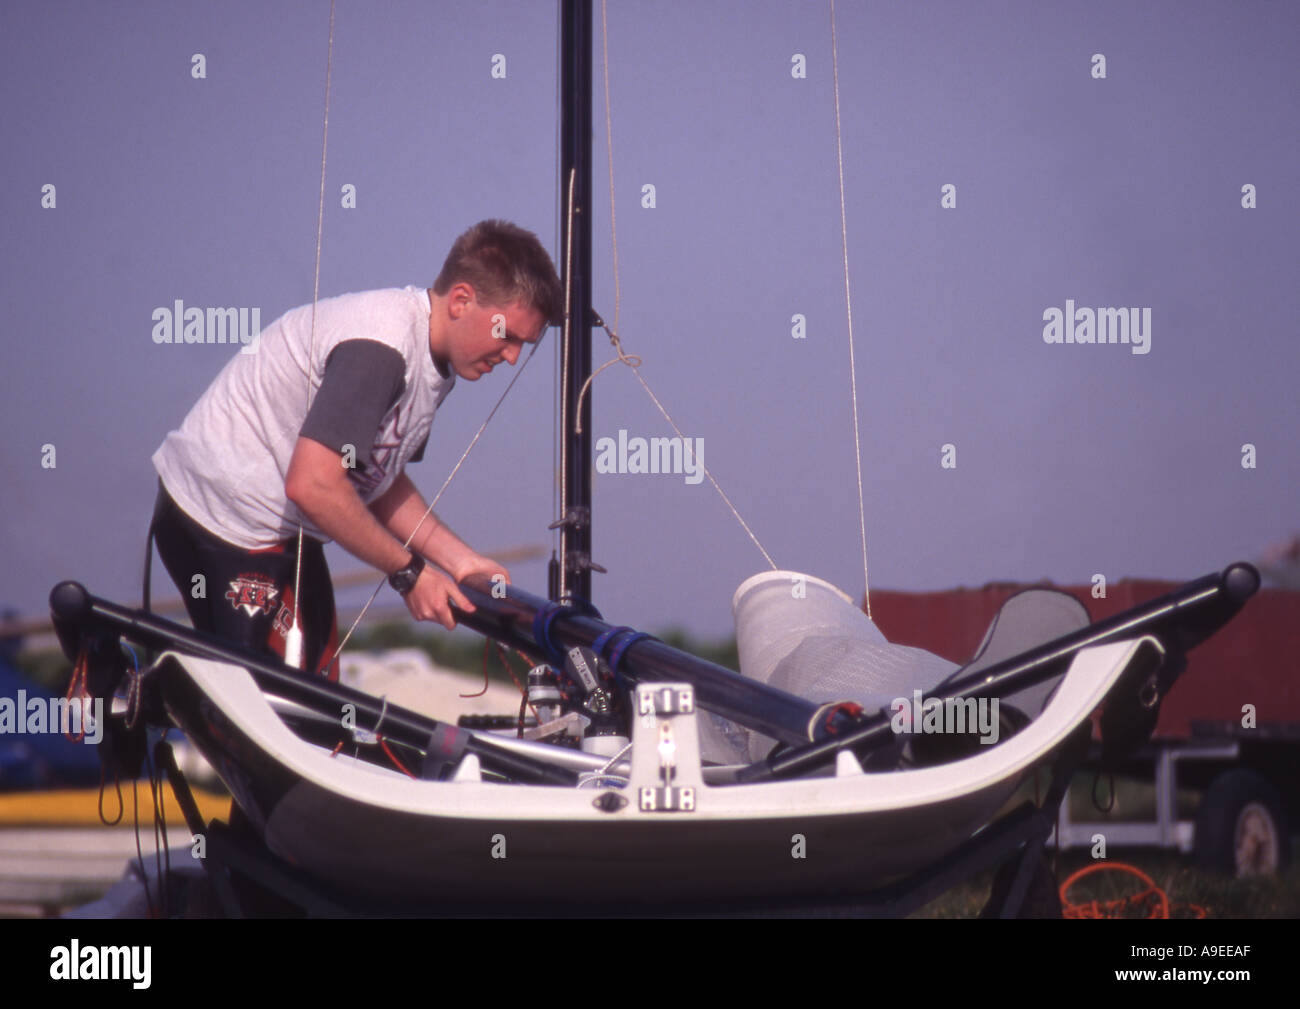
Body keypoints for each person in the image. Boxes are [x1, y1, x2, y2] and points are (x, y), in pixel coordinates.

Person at [148, 219, 562, 679]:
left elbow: (375, 481)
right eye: (508, 337)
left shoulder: (433, 361)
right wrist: (409, 574)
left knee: (321, 692)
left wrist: (460, 562)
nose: (511, 358)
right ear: (462, 300)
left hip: (279, 530)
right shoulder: (381, 350)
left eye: (524, 345)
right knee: (284, 707)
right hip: (221, 521)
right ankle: (124, 680)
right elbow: (314, 484)